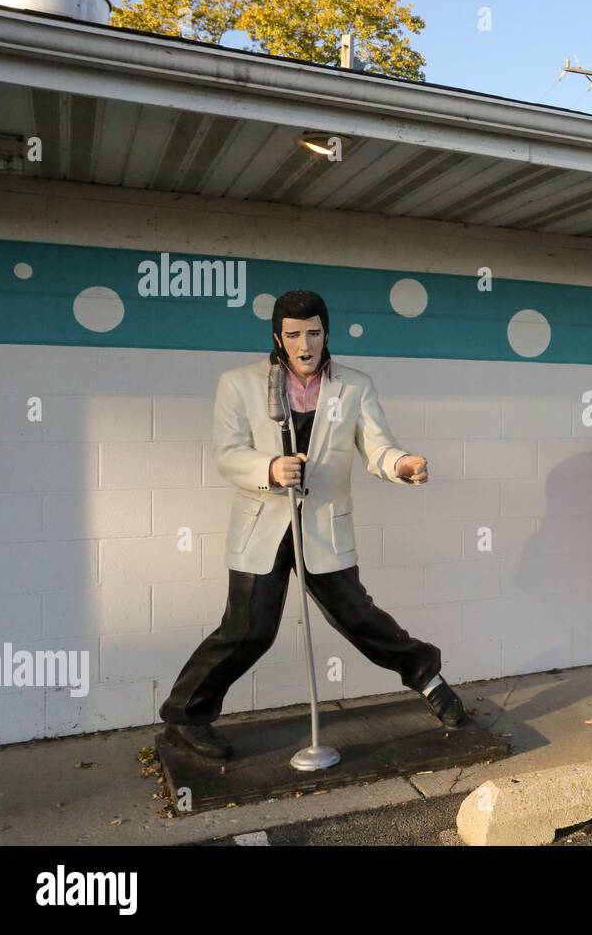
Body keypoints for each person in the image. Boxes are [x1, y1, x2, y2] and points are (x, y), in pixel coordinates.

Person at [159, 290, 464, 760]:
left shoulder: (354, 386)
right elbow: (227, 453)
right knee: (248, 630)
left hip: (323, 525)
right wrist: (269, 469)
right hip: (263, 525)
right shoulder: (239, 384)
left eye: (315, 333)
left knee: (358, 616)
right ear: (278, 338)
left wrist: (401, 464)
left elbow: (377, 447)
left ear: (326, 334)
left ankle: (427, 675)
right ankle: (186, 715)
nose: (306, 344)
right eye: (294, 334)